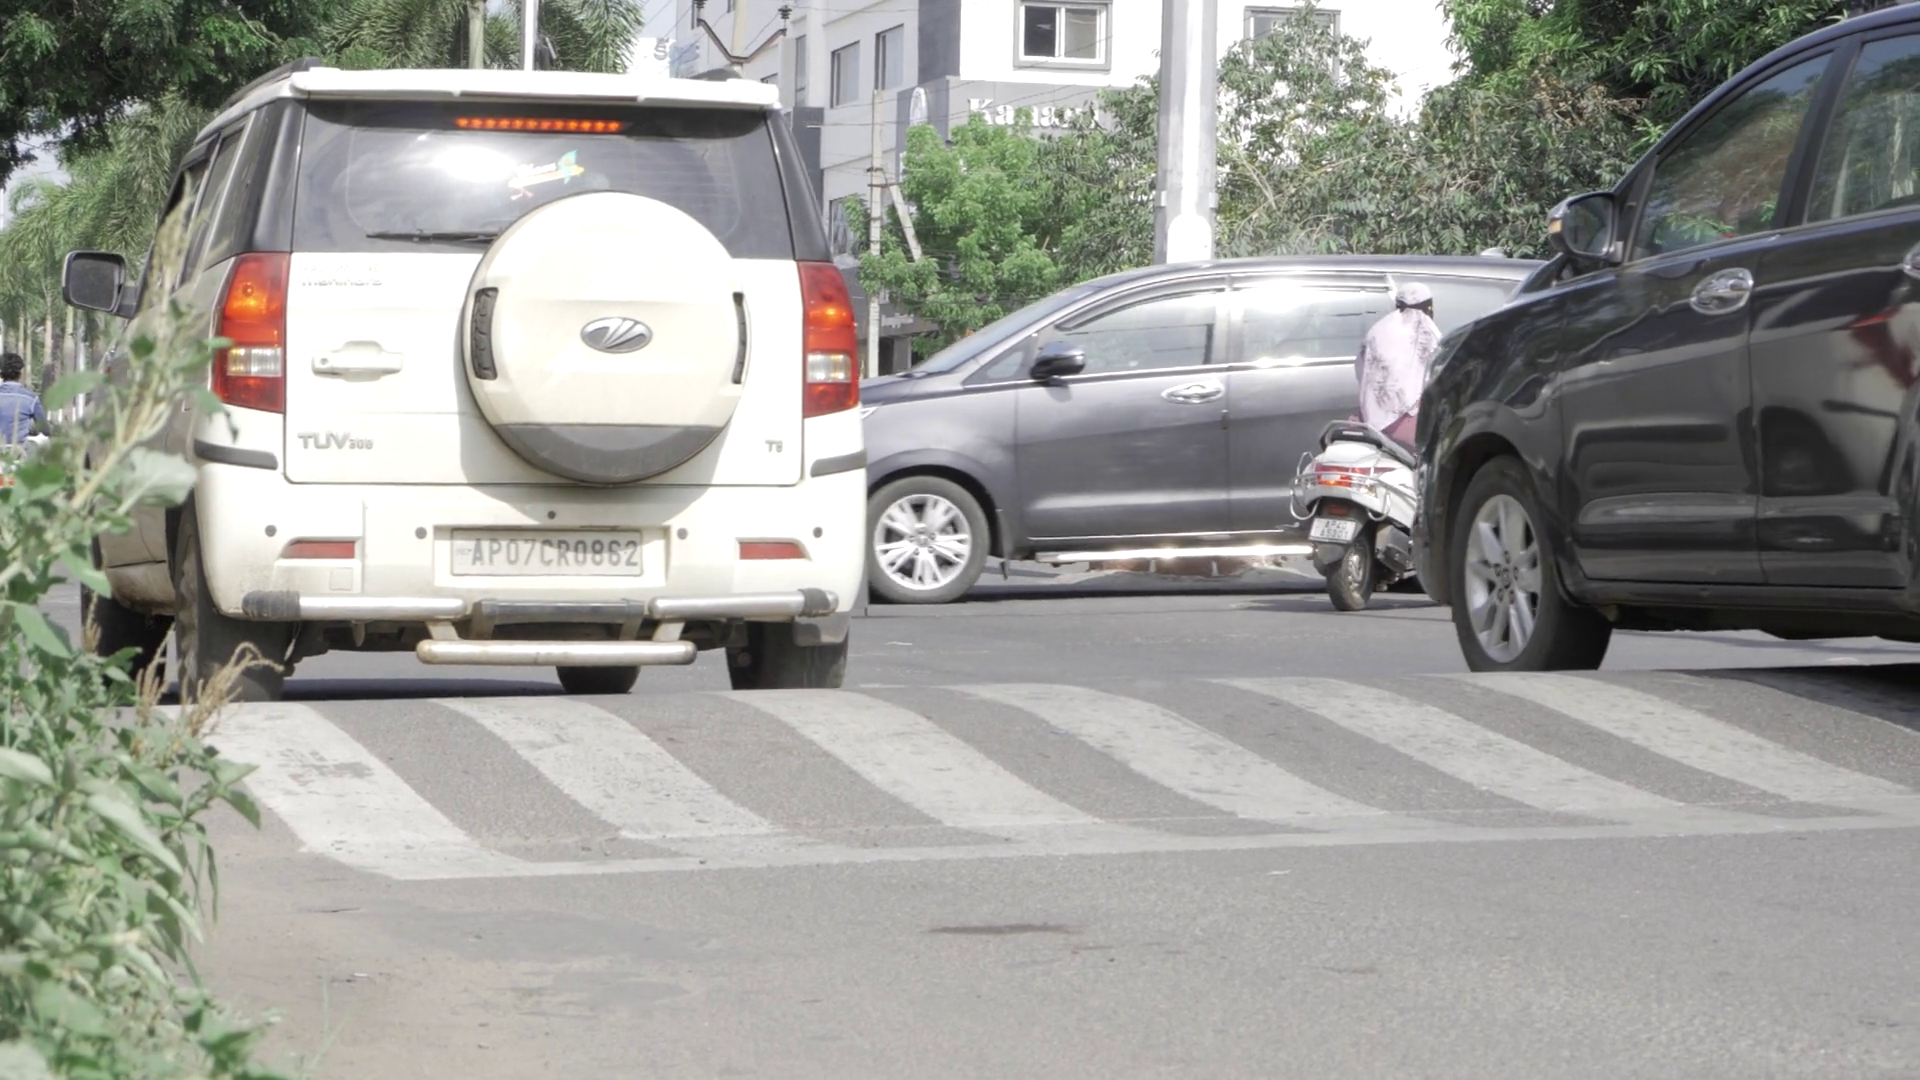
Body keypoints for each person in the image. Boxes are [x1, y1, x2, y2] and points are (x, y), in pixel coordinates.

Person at [1353, 282, 1440, 450]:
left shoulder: (1377, 331)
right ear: (1429, 307)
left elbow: (1361, 371)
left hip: (1367, 421)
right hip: (1410, 428)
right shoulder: (1429, 334)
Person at [0, 352, 45, 447]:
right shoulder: (31, 399)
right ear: (20, 374)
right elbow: (45, 430)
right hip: (19, 452)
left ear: (1, 375)